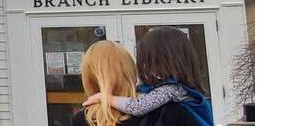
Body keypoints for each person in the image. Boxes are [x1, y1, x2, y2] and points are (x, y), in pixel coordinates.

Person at [82, 27, 213, 126]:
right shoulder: (179, 90)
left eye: (147, 60)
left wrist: (105, 97)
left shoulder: (170, 90)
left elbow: (137, 107)